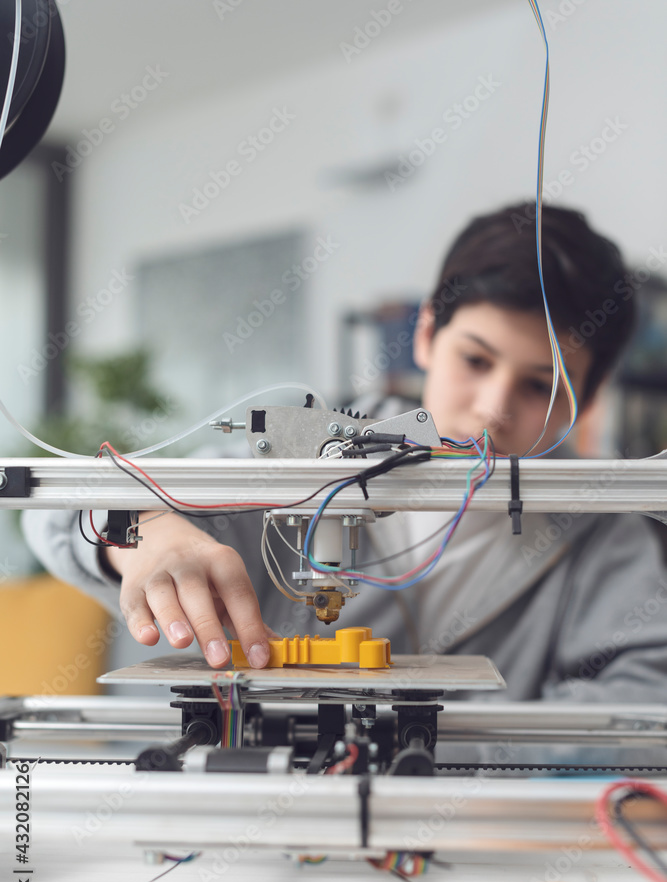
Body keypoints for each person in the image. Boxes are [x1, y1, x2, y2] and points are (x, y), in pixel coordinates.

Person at [22, 202, 667, 703]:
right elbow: (51, 509)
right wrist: (145, 534)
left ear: (591, 396)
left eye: (541, 386)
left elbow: (639, 703)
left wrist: (466, 761)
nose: (495, 408)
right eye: (475, 359)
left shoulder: (601, 529)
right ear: (424, 335)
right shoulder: (309, 454)